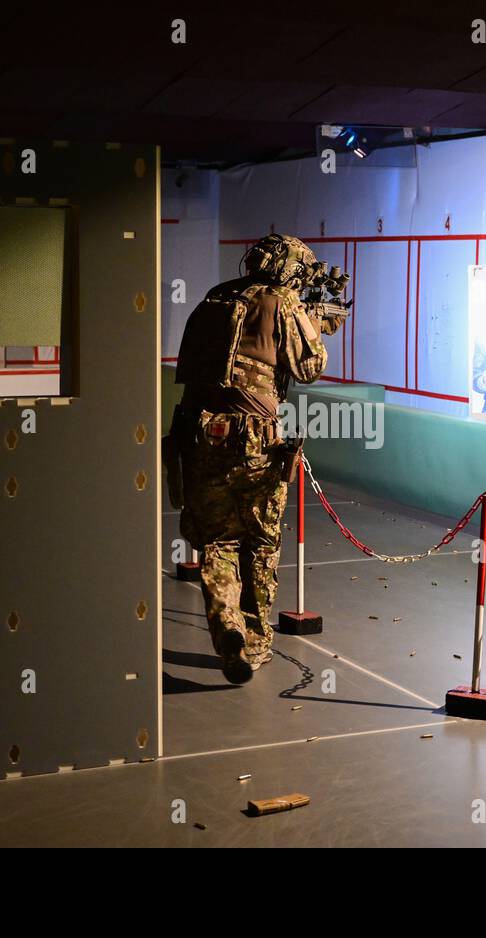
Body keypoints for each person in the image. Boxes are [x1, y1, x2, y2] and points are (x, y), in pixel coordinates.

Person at [168, 234, 341, 684]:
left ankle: (228, 628)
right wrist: (313, 323)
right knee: (261, 545)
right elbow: (308, 367)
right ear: (288, 269)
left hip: (201, 440)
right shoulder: (280, 302)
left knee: (219, 542)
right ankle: (258, 640)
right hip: (255, 445)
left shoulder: (216, 297)